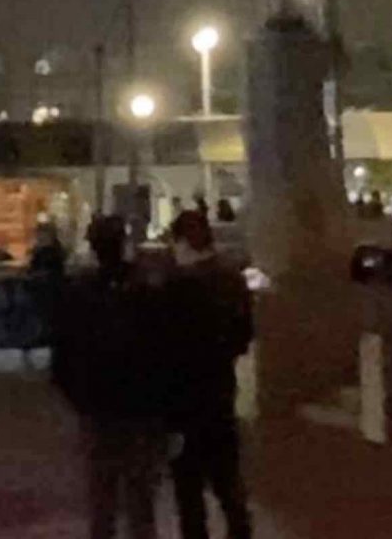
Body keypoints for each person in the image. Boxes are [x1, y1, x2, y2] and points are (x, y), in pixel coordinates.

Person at [52, 215, 168, 539]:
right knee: (141, 500)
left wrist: (81, 399)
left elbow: (63, 357)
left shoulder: (80, 294)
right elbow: (166, 350)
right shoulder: (146, 291)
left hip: (99, 409)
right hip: (141, 410)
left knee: (102, 499)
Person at [161, 210, 252, 539]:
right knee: (227, 479)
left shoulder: (176, 287)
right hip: (219, 390)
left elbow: (163, 343)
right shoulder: (231, 281)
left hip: (183, 400)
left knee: (188, 487)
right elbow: (244, 335)